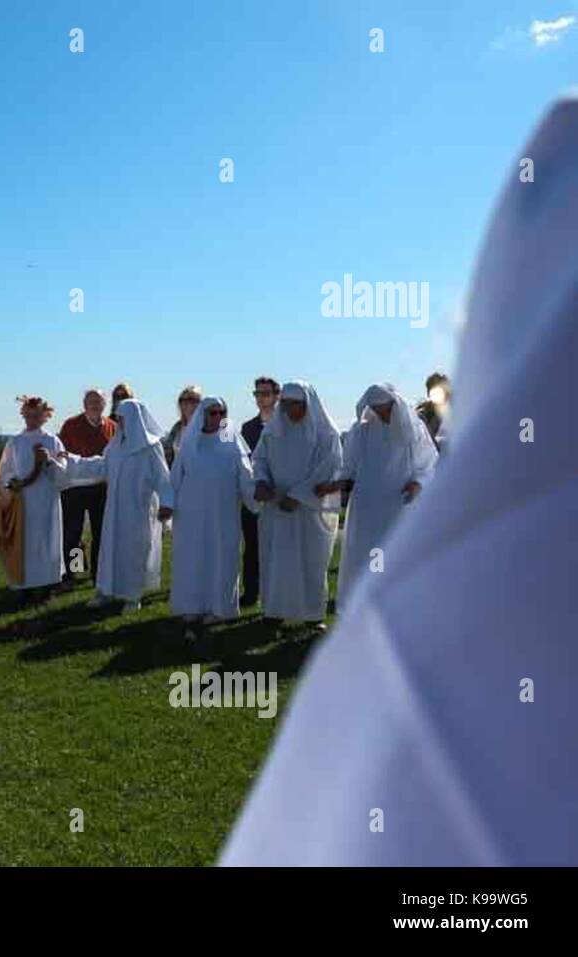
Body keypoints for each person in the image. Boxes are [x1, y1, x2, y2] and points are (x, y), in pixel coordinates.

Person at [223, 98, 578, 865]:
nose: (382, 412)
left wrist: (399, 490)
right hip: (363, 515)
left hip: (395, 514)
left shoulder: (423, 635)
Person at [333, 384, 438, 612]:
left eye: (385, 408)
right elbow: (349, 464)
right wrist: (340, 480)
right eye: (376, 409)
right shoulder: (361, 431)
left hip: (400, 504)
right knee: (368, 554)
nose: (381, 413)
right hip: (368, 505)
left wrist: (418, 483)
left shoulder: (414, 430)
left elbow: (429, 462)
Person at [250, 381, 342, 632]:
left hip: (309, 511)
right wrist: (261, 482)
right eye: (287, 404)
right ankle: (274, 611)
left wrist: (299, 496)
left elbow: (329, 467)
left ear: (308, 405)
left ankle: (313, 615)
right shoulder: (272, 431)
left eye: (296, 405)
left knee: (311, 562)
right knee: (276, 561)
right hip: (277, 507)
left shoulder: (326, 434)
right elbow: (259, 460)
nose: (291, 410)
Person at [69, 398, 174, 613]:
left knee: (134, 551)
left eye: (122, 418)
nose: (119, 423)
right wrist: (71, 460)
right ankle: (106, 591)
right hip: (114, 508)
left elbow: (164, 479)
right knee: (110, 550)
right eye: (117, 418)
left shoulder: (150, 447)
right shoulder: (115, 445)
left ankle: (132, 596)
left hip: (139, 508)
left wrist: (166, 504)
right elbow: (101, 466)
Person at [170, 397, 259, 636]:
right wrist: (168, 504)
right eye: (212, 413)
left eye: (221, 412)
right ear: (203, 415)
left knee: (222, 558)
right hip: (192, 516)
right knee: (194, 559)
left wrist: (256, 498)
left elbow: (245, 474)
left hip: (224, 514)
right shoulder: (190, 443)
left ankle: (221, 609)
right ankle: (193, 606)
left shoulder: (232, 441)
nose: (217, 417)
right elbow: (175, 477)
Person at [0, 396, 69, 603]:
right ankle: (23, 585)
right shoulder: (15, 442)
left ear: (45, 416)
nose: (31, 419)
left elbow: (64, 472)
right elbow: (4, 471)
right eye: (27, 415)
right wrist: (13, 482)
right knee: (24, 542)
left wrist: (50, 461)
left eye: (36, 415)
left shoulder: (52, 440)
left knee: (45, 542)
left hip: (46, 499)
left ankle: (45, 587)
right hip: (22, 501)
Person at [57, 388, 116, 590]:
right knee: (73, 532)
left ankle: (98, 573)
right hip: (74, 487)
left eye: (98, 402)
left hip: (101, 488)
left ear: (104, 404)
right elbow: (62, 455)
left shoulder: (112, 427)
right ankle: (74, 571)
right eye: (91, 402)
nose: (95, 405)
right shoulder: (71, 425)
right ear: (84, 405)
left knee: (101, 532)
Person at [239, 377, 280, 607]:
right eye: (257, 393)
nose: (261, 398)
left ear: (277, 396)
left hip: (278, 494)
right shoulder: (247, 427)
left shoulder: (285, 425)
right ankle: (251, 591)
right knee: (252, 546)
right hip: (254, 496)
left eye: (266, 393)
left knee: (277, 547)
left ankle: (275, 592)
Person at [162, 384, 203, 468]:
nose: (188, 404)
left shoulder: (208, 429)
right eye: (183, 400)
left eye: (193, 400)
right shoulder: (176, 430)